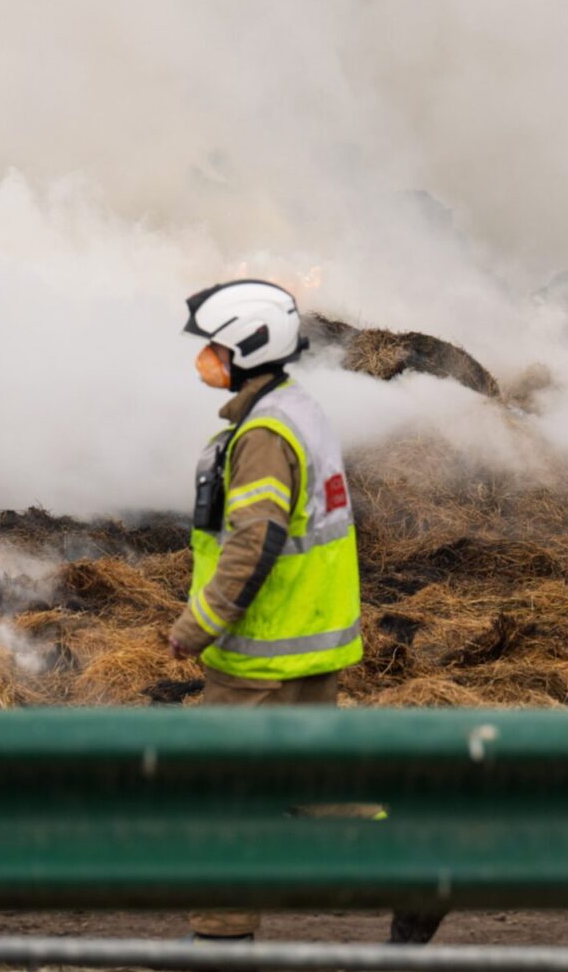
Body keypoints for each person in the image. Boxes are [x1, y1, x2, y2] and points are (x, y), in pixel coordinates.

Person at [172, 278, 443, 946]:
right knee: (317, 788)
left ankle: (219, 940)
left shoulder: (264, 434)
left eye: (215, 345)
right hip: (306, 647)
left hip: (259, 656)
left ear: (245, 346)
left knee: (221, 800)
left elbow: (255, 538)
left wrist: (199, 622)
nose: (205, 356)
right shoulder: (298, 410)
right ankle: (416, 869)